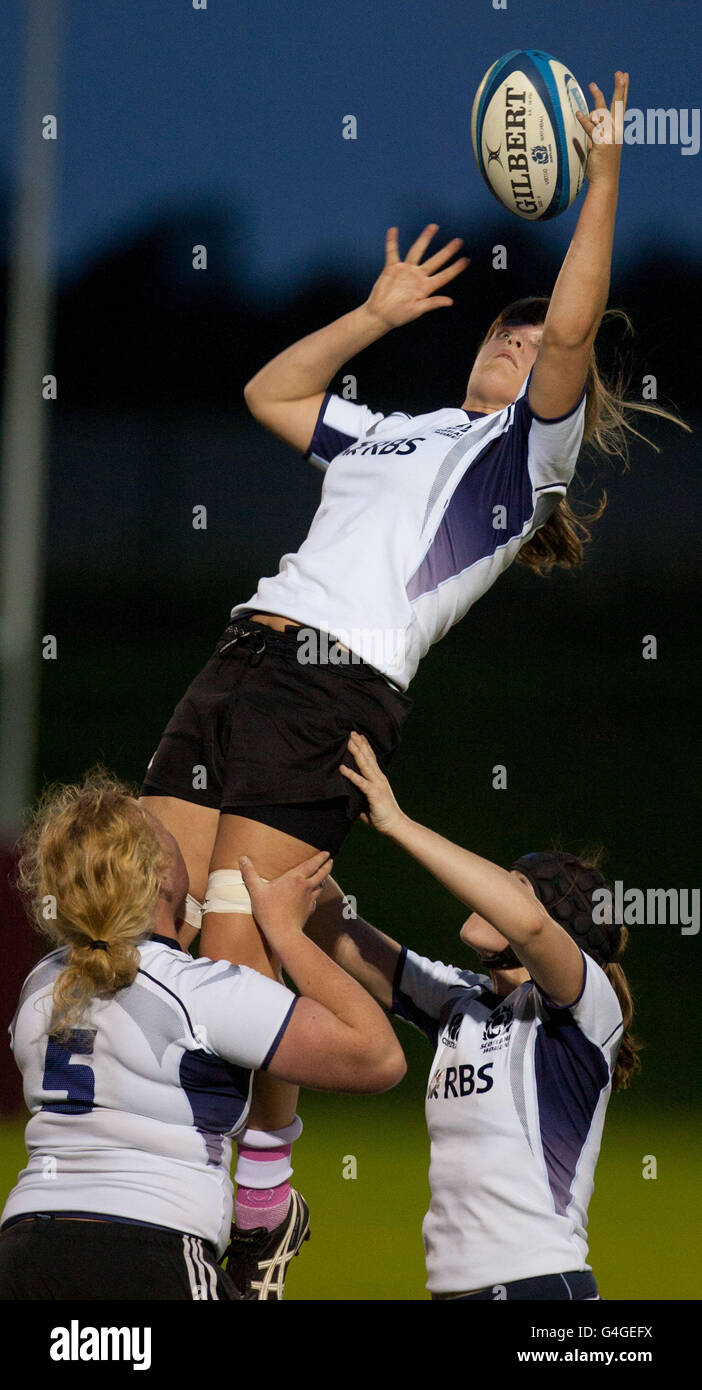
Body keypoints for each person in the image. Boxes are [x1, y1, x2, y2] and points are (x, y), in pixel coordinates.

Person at [138, 72, 667, 1293]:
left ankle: (258, 1205)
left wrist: (601, 182)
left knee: (235, 968)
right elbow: (271, 392)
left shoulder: (514, 468)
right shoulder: (394, 431)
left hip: (333, 688)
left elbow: (580, 324)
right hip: (242, 653)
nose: (522, 337)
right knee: (147, 929)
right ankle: (164, 1192)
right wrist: (374, 313)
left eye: (540, 344)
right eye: (507, 326)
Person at [0, 772, 405, 1300]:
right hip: (146, 1247)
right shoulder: (200, 994)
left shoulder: (43, 983)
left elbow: (137, 979)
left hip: (24, 1249)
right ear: (162, 878)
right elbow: (377, 1057)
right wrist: (284, 931)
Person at [295, 731, 640, 1299]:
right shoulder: (463, 1001)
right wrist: (291, 810)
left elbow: (529, 927)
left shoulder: (586, 1006)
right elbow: (333, 927)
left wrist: (396, 821)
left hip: (539, 1288)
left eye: (513, 885)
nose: (488, 892)